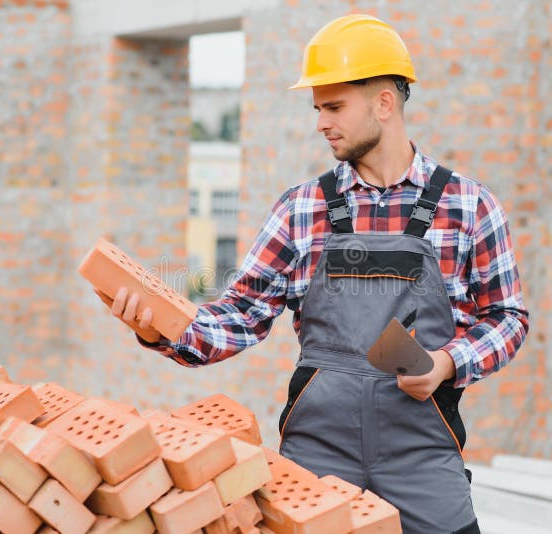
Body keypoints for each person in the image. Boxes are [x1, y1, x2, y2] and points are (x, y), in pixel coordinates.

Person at [106, 14, 528, 534]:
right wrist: (162, 328)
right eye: (317, 108)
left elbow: (507, 318)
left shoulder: (469, 206)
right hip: (318, 454)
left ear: (384, 103)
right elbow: (240, 315)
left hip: (422, 455)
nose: (321, 122)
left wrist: (446, 362)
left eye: (334, 106)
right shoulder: (302, 210)